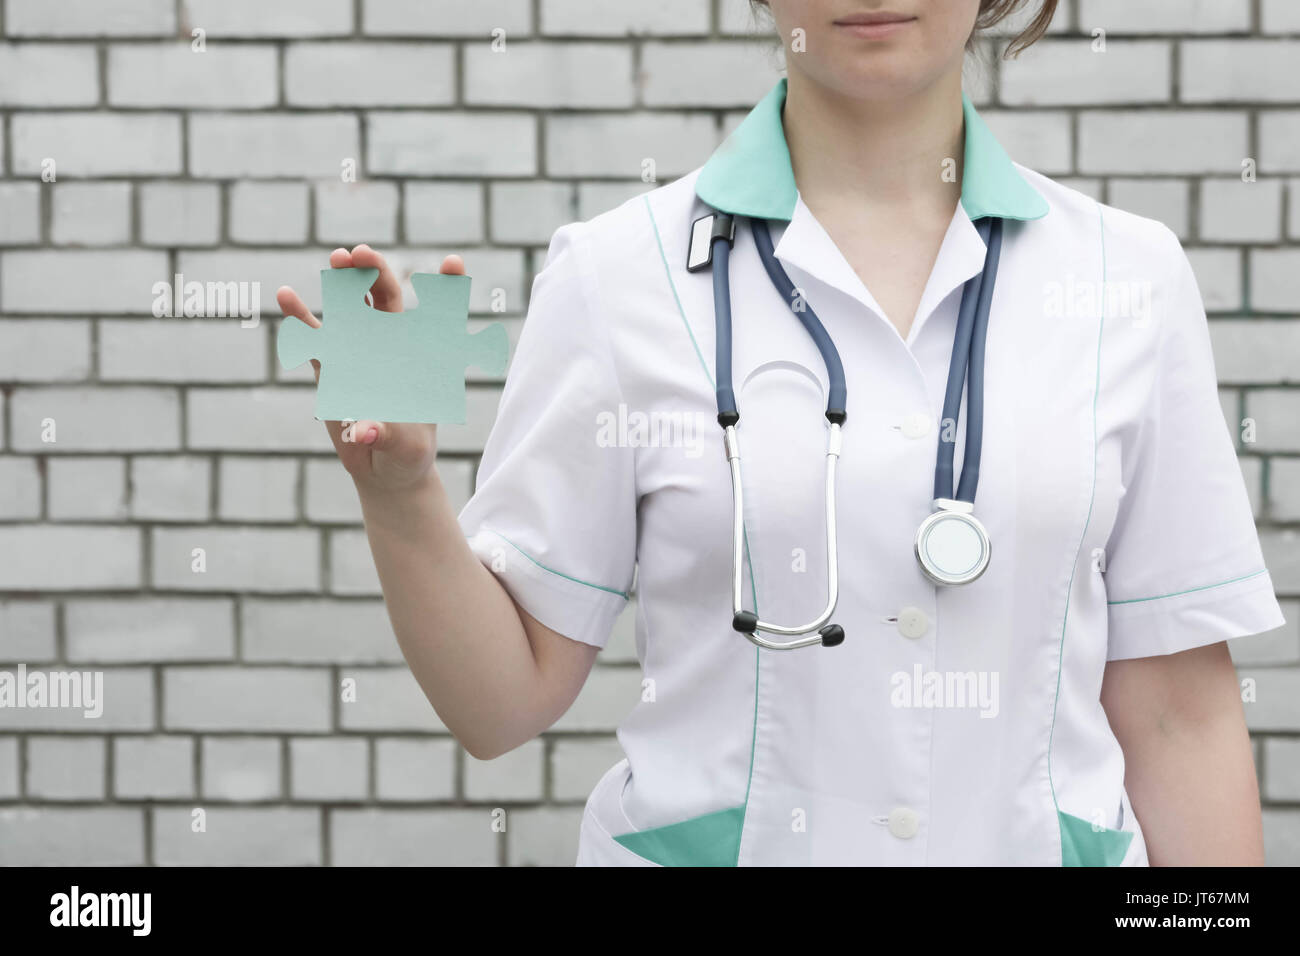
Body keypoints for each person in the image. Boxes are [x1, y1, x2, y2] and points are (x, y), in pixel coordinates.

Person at [276, 0, 1284, 866]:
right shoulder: (617, 275)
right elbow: (499, 706)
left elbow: (1176, 713)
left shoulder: (1124, 279)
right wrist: (400, 493)